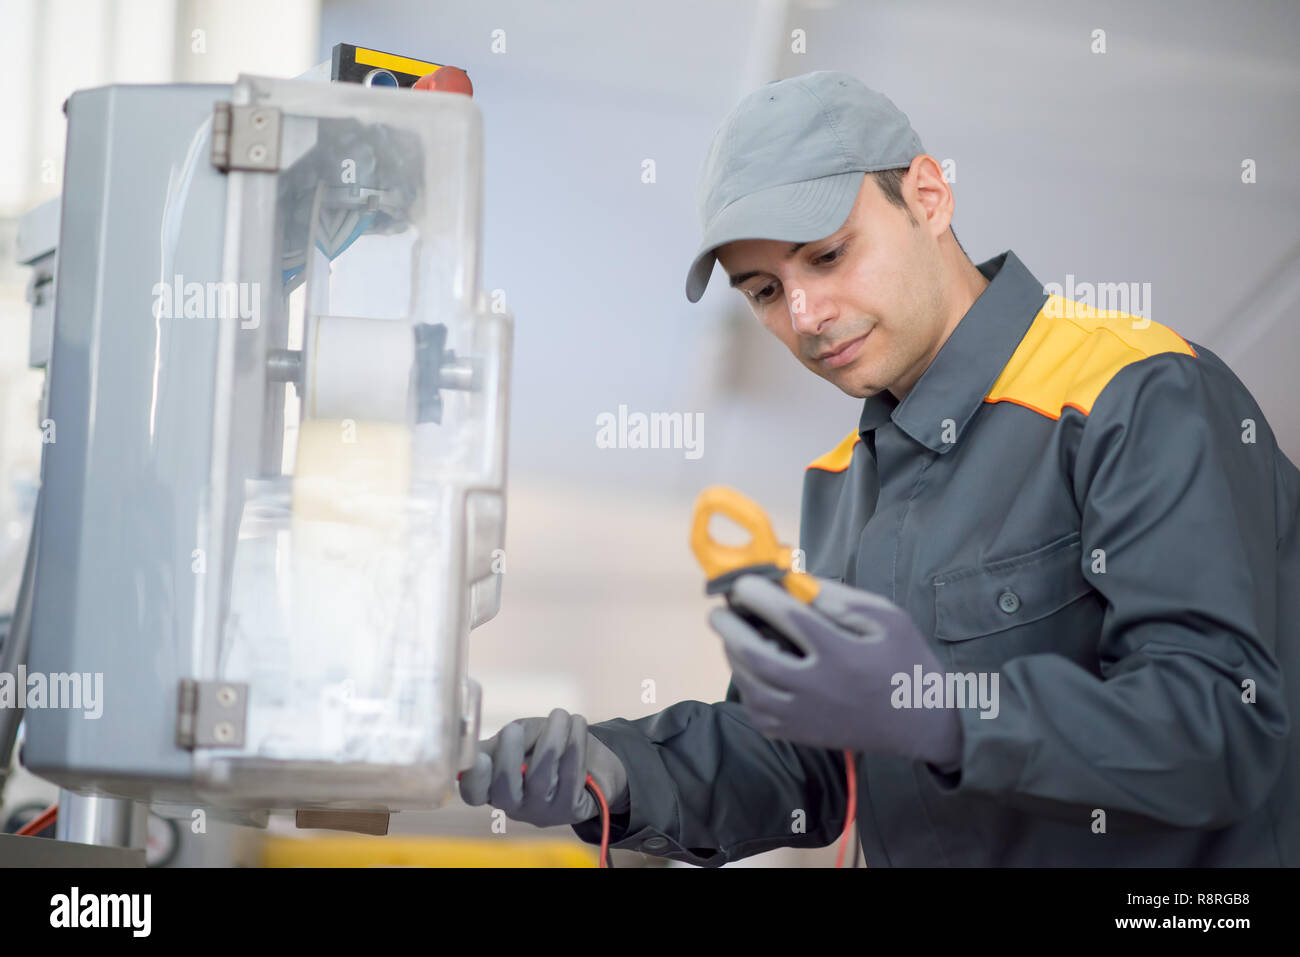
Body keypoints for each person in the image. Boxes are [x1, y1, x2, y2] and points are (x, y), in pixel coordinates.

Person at [459, 71, 1299, 866]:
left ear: (928, 197)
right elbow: (808, 765)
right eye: (762, 290)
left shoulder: (1136, 393)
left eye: (826, 255)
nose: (805, 314)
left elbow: (1220, 724)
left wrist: (942, 713)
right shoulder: (839, 485)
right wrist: (616, 769)